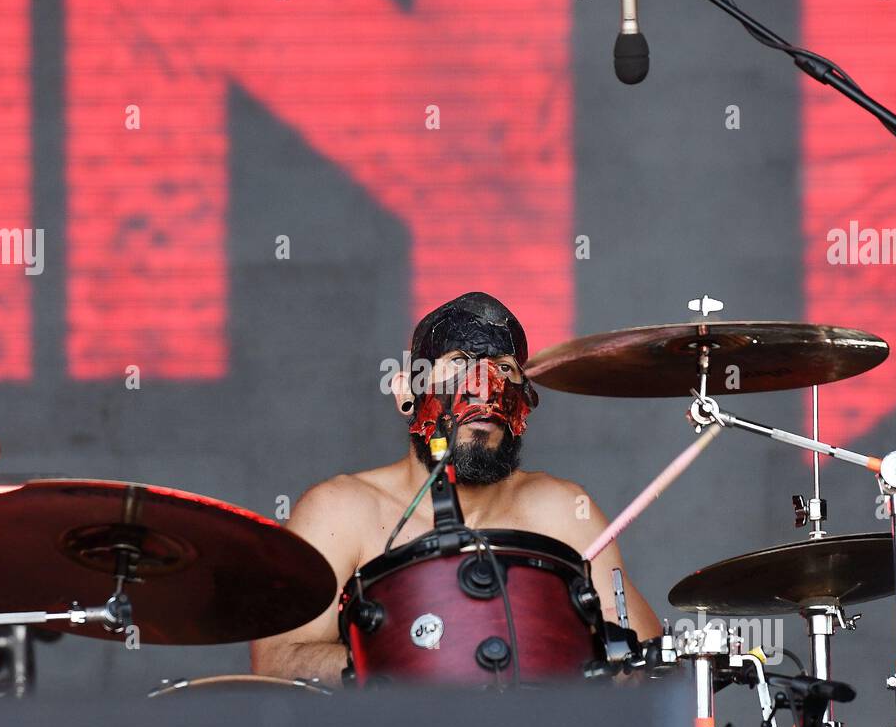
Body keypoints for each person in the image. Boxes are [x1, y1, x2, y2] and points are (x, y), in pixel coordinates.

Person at [250, 292, 661, 684]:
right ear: (406, 391)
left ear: (526, 401)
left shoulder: (563, 510)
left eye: (505, 369)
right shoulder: (341, 510)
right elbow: (277, 661)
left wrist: (565, 655)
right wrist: (413, 659)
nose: (484, 387)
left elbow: (647, 659)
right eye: (460, 363)